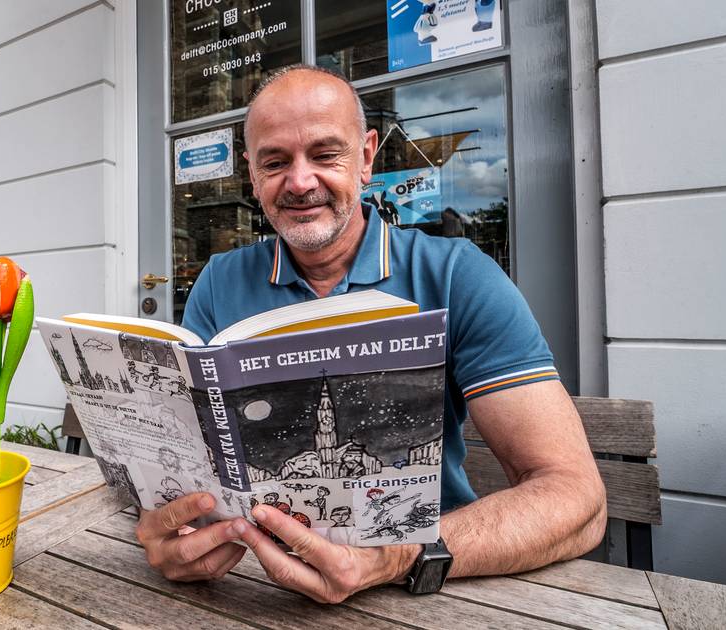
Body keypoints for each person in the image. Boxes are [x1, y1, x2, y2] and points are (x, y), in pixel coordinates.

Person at [135, 65, 605, 603]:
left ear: (366, 157)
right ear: (251, 173)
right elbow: (182, 461)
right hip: (246, 585)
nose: (300, 181)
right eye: (275, 161)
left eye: (325, 154)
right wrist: (167, 527)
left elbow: (577, 498)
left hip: (422, 588)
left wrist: (394, 558)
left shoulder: (455, 273)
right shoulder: (219, 281)